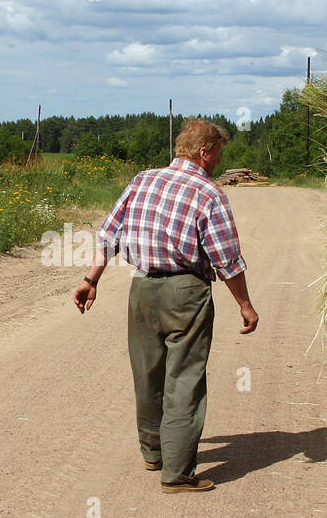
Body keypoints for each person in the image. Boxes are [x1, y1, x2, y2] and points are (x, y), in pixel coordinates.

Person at [73, 118, 258, 493]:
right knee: (184, 381)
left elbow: (109, 232)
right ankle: (177, 473)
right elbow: (226, 259)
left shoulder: (143, 179)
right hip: (185, 292)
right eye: (217, 153)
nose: (218, 162)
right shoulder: (210, 194)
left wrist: (90, 280)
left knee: (147, 374)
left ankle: (153, 452)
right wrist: (245, 304)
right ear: (204, 152)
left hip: (141, 289)